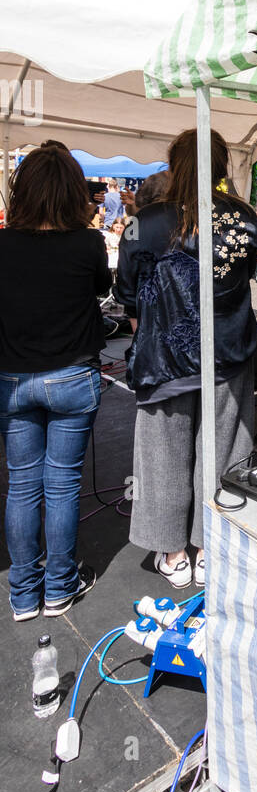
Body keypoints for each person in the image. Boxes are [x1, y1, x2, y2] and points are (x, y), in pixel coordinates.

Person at [115, 129, 257, 590]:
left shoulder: (146, 221)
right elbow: (245, 277)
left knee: (163, 454)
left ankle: (173, 553)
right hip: (227, 352)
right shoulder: (245, 219)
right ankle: (209, 551)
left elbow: (126, 293)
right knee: (221, 453)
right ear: (222, 166)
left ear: (175, 164)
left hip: (164, 357)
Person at [0, 143, 110, 620]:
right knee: (61, 486)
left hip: (14, 378)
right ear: (71, 191)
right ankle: (59, 587)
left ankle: (24, 592)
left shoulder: (3, 244)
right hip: (70, 377)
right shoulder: (86, 244)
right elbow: (103, 292)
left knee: (22, 486)